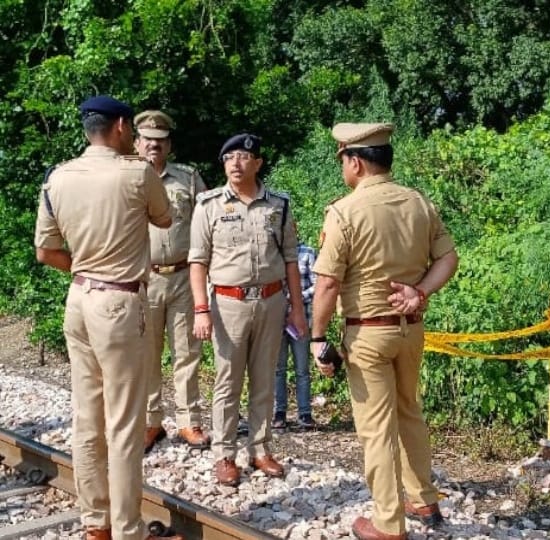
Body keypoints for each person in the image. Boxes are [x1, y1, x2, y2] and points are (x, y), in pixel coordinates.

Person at [34, 95, 182, 540]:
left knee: (86, 418)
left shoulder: (58, 177)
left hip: (79, 298)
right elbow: (166, 216)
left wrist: (84, 268)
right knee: (123, 423)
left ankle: (95, 523)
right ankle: (128, 530)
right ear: (121, 126)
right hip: (119, 303)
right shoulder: (136, 172)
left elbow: (45, 251)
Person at [311, 123, 459, 540]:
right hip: (411, 330)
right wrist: (419, 292)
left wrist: (318, 338)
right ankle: (425, 499)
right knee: (409, 411)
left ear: (355, 162)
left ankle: (388, 523)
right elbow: (449, 258)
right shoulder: (418, 203)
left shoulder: (345, 211)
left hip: (367, 334)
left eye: (342, 160)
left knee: (376, 428)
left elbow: (326, 284)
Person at [188, 133, 307, 486]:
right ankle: (225, 453)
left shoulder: (279, 205)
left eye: (243, 157)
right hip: (227, 303)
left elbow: (290, 260)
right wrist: (200, 309)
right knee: (228, 380)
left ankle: (260, 448)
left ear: (257, 163)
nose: (236, 164)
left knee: (265, 378)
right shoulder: (207, 205)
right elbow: (197, 262)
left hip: (271, 301)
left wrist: (297, 309)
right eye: (229, 158)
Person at [135, 110, 211, 453]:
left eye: (160, 141)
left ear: (169, 145)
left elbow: (207, 223)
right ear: (136, 143)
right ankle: (152, 422)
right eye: (148, 140)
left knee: (187, 352)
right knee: (147, 354)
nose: (154, 145)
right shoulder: (127, 178)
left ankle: (188, 421)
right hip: (144, 278)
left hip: (183, 276)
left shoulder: (188, 179)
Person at [273, 221, 318, 430]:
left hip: (302, 318)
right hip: (277, 320)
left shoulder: (308, 252)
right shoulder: (273, 255)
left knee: (302, 369)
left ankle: (304, 413)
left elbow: (317, 285)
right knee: (277, 369)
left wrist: (296, 300)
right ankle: (279, 413)